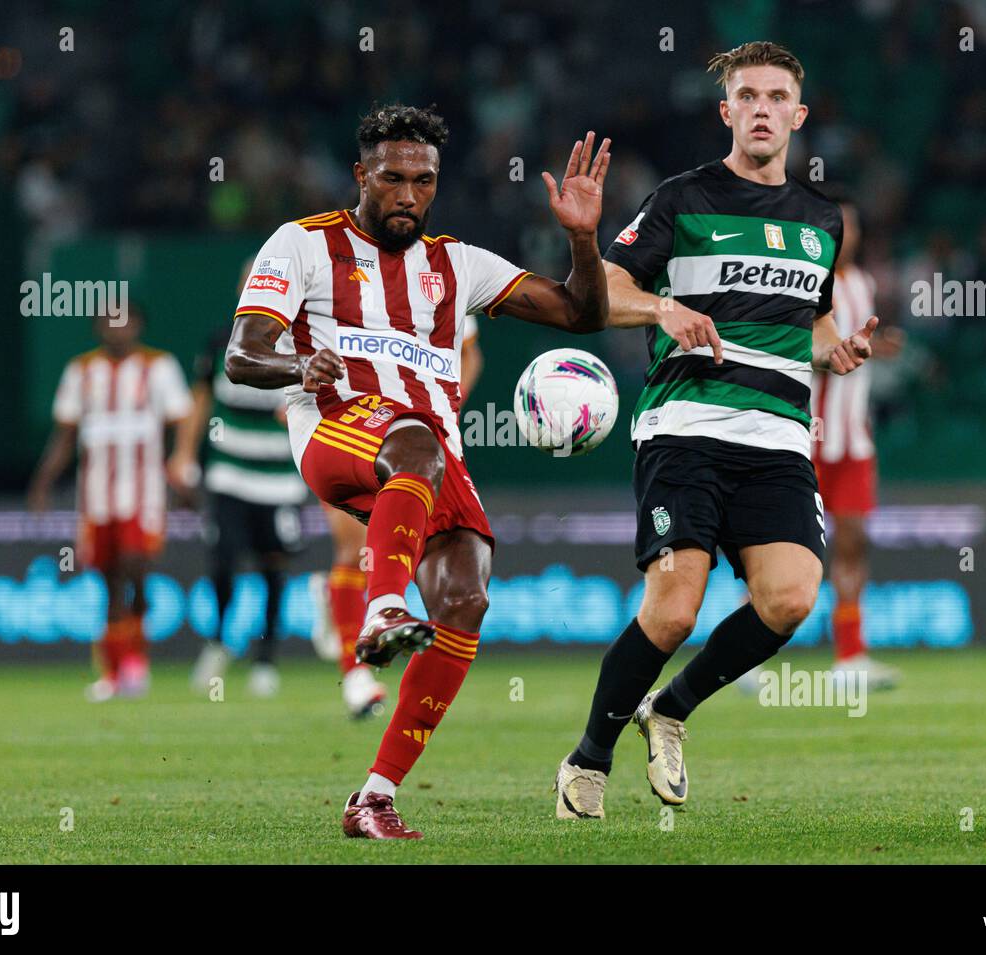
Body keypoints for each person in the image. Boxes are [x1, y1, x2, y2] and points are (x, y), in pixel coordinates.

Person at [224, 103, 611, 838]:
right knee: (415, 441)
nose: (408, 195)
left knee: (466, 594)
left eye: (423, 181)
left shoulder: (456, 263)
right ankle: (380, 611)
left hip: (430, 456)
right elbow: (242, 354)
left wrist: (583, 240)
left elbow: (578, 314)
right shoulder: (302, 244)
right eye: (393, 178)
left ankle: (373, 795)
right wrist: (299, 364)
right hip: (339, 428)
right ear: (360, 174)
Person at [555, 42, 879, 819]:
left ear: (797, 116)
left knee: (792, 599)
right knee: (671, 611)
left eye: (777, 97)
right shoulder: (682, 199)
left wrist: (834, 347)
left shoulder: (819, 220)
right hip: (686, 429)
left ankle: (669, 709)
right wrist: (660, 306)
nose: (762, 108)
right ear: (726, 110)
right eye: (747, 95)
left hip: (778, 441)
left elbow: (811, 316)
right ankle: (586, 758)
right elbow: (607, 290)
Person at [308, 315, 483, 718]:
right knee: (354, 545)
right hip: (351, 422)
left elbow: (471, 353)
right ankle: (355, 676)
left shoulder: (439, 268)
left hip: (418, 429)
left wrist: (447, 403)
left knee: (413, 536)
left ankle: (345, 601)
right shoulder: (329, 273)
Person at [29, 306, 192, 701]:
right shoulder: (81, 370)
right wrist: (42, 483)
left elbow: (181, 423)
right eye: (108, 321)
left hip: (144, 493)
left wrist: (181, 471)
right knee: (108, 580)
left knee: (134, 568)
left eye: (125, 320)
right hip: (97, 497)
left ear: (139, 324)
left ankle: (135, 662)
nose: (116, 328)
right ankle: (114, 668)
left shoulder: (160, 366)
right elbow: (65, 435)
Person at [174, 264, 310, 699]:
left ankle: (266, 659)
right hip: (229, 470)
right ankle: (218, 641)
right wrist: (182, 454)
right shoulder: (222, 342)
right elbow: (199, 401)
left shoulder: (303, 344)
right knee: (223, 561)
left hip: (280, 478)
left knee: (274, 568)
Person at [810, 200, 902, 688]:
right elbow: (788, 349)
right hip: (807, 439)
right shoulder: (801, 281)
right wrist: (835, 351)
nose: (850, 236)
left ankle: (850, 656)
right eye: (840, 228)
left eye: (855, 227)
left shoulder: (863, 284)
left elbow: (855, 346)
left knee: (852, 544)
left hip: (854, 443)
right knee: (784, 549)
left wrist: (876, 348)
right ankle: (747, 658)